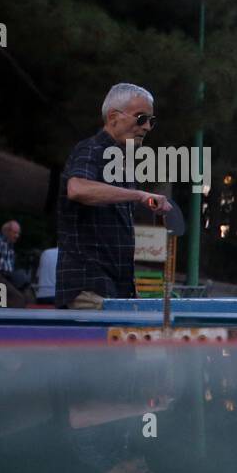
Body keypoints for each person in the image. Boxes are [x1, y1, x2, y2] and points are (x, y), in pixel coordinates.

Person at [57, 82, 173, 309]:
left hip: (116, 290)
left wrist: (149, 201)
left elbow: (119, 201)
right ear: (113, 117)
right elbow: (77, 188)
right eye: (141, 118)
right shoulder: (91, 149)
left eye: (152, 120)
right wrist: (139, 195)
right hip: (89, 288)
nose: (148, 127)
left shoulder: (122, 164)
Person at [0, 220, 32, 305]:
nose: (17, 236)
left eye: (18, 233)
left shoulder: (9, 244)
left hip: (7, 276)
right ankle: (10, 317)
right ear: (6, 231)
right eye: (15, 233)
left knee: (28, 297)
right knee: (17, 299)